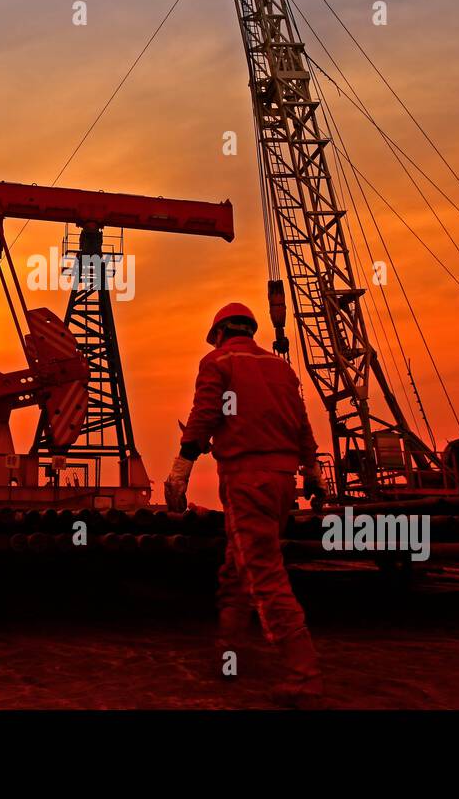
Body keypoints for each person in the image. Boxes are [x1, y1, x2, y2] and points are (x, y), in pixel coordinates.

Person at [165, 303, 324, 708]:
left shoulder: (218, 361)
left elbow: (205, 414)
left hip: (246, 479)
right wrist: (314, 471)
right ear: (251, 330)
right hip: (283, 482)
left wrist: (182, 467)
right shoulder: (281, 369)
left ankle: (303, 676)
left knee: (263, 574)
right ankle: (229, 655)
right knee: (237, 568)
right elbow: (302, 423)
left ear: (218, 333)